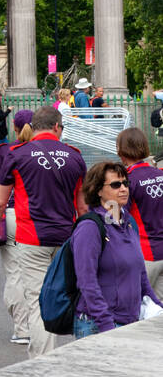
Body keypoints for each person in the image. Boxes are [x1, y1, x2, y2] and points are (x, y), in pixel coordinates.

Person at [0, 105, 88, 357]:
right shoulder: (75, 156)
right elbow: (82, 207)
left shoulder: (17, 155)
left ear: (34, 127)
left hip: (32, 239)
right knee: (67, 296)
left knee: (39, 303)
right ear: (57, 127)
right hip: (66, 239)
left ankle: (41, 364)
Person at [70, 159, 163, 338]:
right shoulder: (90, 227)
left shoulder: (129, 223)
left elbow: (141, 275)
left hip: (130, 322)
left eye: (125, 183)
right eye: (115, 184)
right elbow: (86, 282)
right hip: (98, 325)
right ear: (98, 190)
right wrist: (106, 325)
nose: (123, 188)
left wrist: (157, 306)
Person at [0, 108, 34, 344]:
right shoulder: (39, 151)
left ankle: (22, 328)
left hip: (13, 214)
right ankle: (36, 324)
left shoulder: (6, 150)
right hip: (39, 217)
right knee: (35, 274)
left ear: (14, 127)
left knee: (15, 274)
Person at [121, 127, 163, 296]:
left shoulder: (127, 181)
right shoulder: (160, 173)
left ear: (121, 151)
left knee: (135, 310)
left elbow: (117, 219)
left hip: (145, 254)